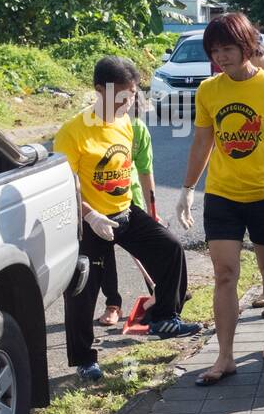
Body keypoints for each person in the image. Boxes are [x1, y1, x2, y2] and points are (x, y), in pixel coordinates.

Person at [176, 12, 264, 385]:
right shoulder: (209, 90)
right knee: (225, 273)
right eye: (214, 51)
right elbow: (203, 141)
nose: (221, 57)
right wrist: (186, 189)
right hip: (222, 195)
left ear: (246, 46)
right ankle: (225, 356)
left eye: (228, 48)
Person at [59, 57, 200, 381]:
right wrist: (91, 216)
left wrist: (147, 206)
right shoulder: (73, 132)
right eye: (121, 94)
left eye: (133, 93)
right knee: (83, 289)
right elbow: (66, 187)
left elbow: (130, 168)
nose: (128, 100)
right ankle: (84, 359)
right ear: (99, 90)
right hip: (90, 220)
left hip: (125, 209)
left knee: (170, 249)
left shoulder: (125, 123)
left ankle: (164, 317)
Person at [98, 96, 159, 327]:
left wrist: (152, 210)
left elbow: (145, 169)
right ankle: (113, 304)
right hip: (102, 202)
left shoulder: (138, 129)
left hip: (131, 199)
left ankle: (160, 294)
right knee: (104, 254)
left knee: (146, 251)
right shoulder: (97, 127)